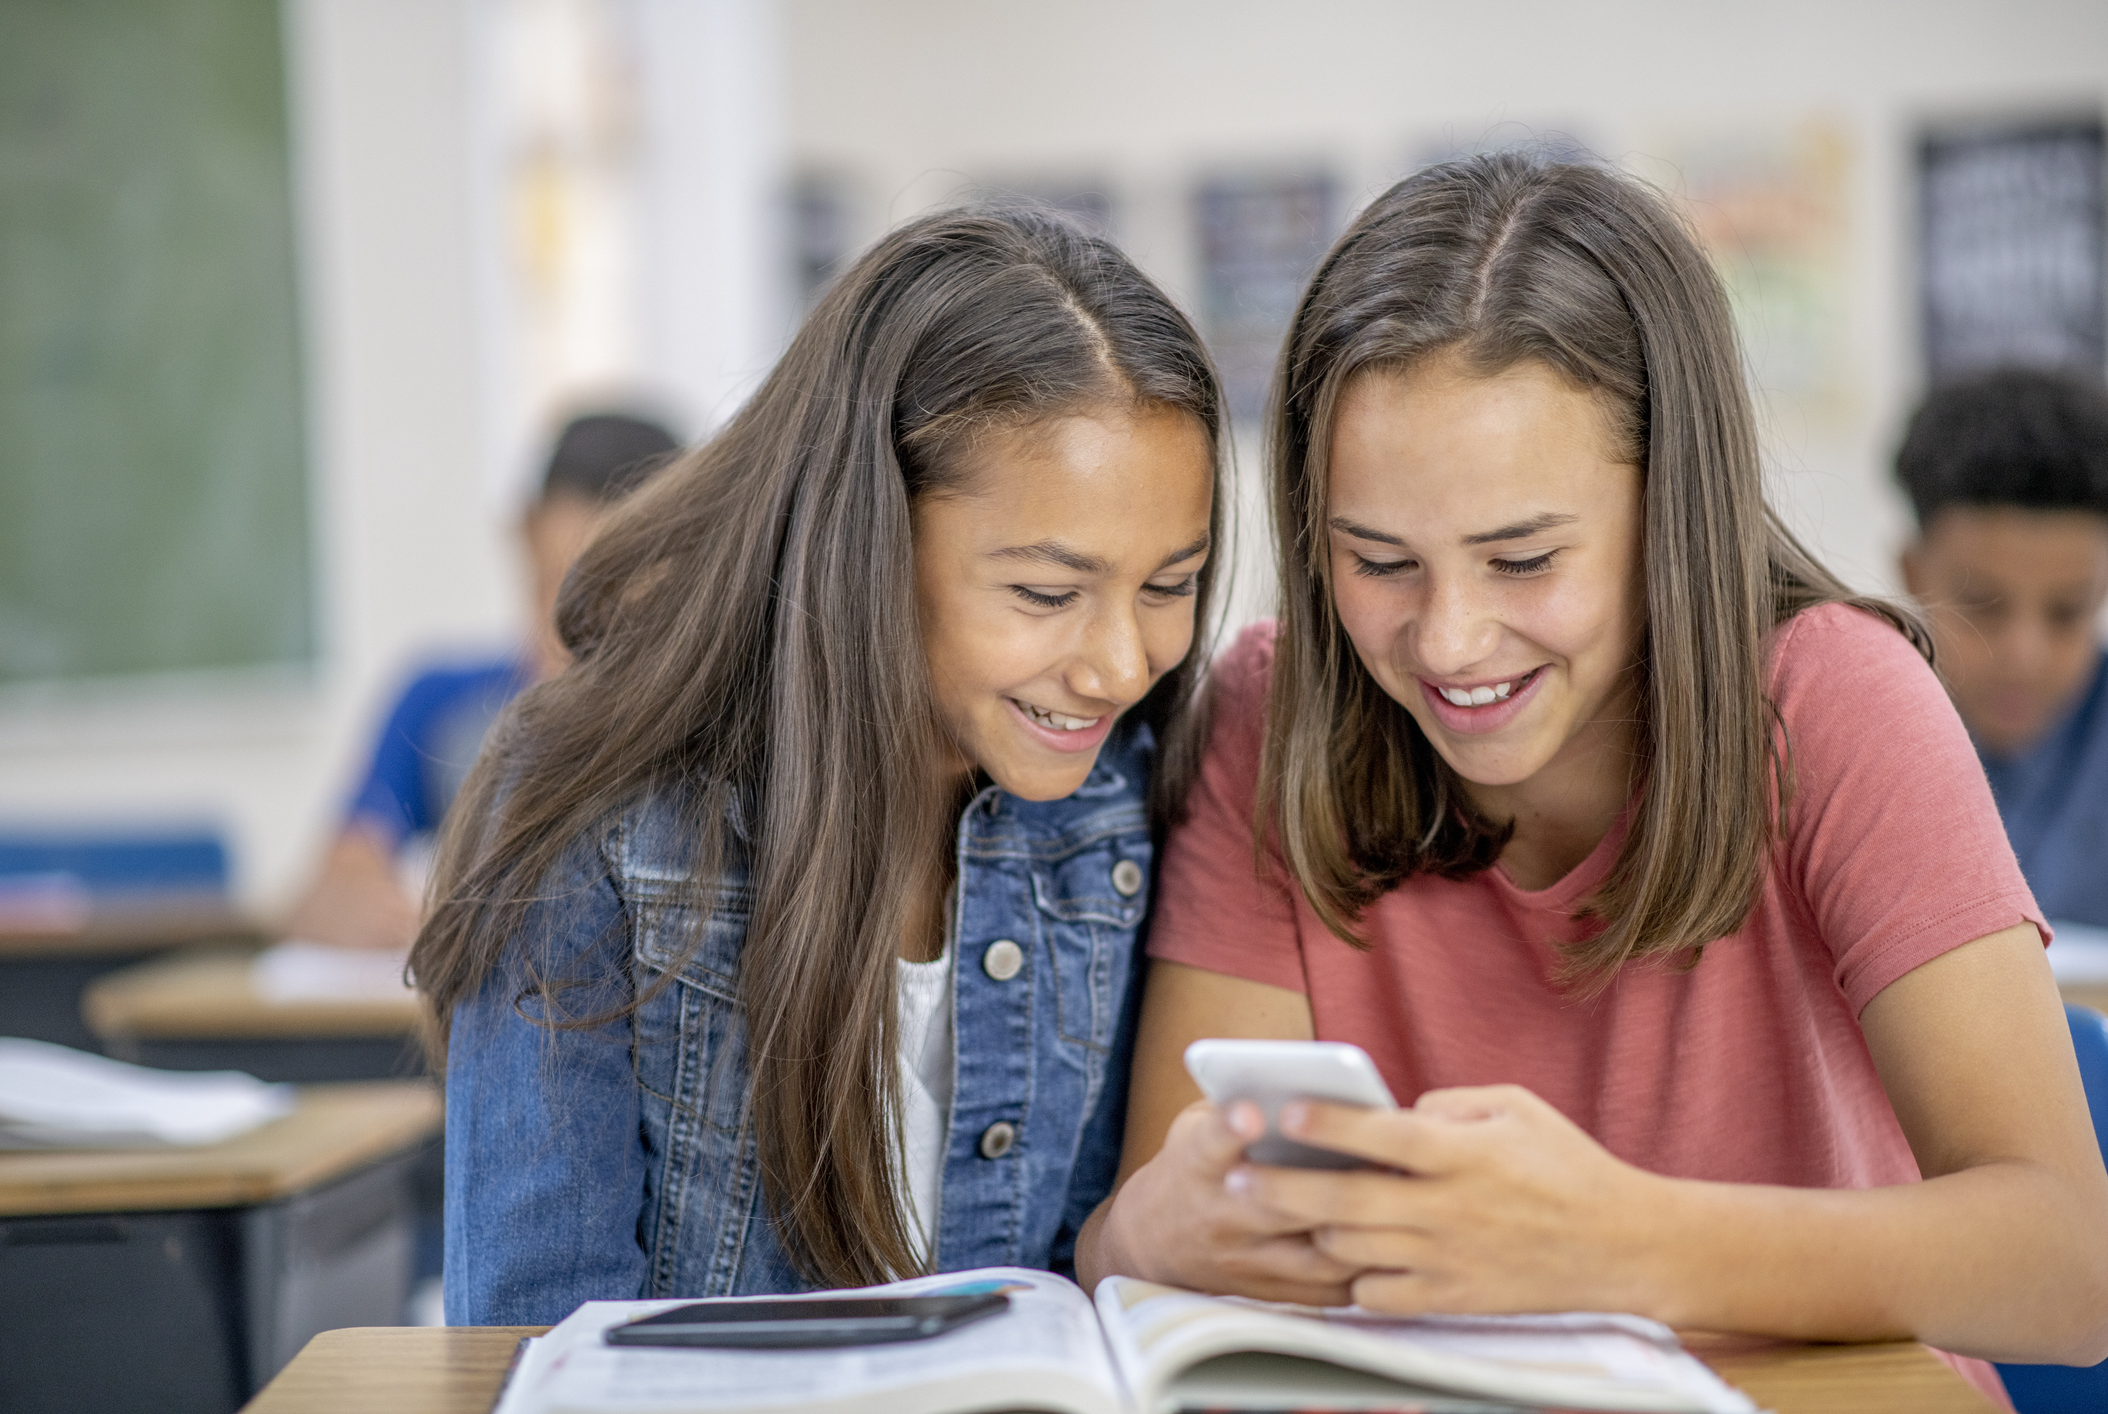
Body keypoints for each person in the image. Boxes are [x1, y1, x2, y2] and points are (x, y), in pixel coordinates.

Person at [1077, 154, 2108, 1403]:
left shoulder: (1840, 699)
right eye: (1380, 561)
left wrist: (1614, 1243)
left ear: (1671, 510)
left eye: (1522, 559)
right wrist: (1138, 1237)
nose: (1449, 640)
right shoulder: (1272, 707)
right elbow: (1156, 1225)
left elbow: (2069, 1270)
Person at [411, 206, 1226, 1322]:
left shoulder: (1130, 799)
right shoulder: (598, 817)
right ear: (869, 536)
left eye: (1170, 584)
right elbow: (533, 1336)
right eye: (1047, 593)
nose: (1123, 662)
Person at [284, 412, 678, 952]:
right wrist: (357, 904)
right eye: (549, 593)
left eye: (607, 613)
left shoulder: (696, 737)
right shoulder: (439, 706)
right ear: (521, 537)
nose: (564, 644)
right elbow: (320, 893)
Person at [1897, 369, 2108, 928]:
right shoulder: (1836, 738)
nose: (2023, 656)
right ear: (1912, 574)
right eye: (1983, 604)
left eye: (2067, 611)